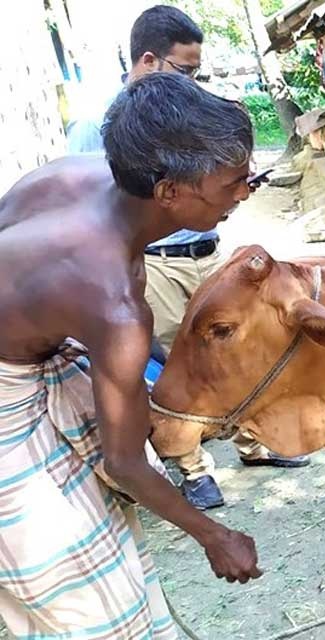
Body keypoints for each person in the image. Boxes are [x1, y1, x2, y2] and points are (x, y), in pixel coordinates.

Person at [0, 72, 262, 639]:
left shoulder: (80, 176)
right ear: (169, 191)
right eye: (234, 183)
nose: (243, 193)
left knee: (104, 558)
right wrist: (214, 537)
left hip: (33, 353)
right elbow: (125, 465)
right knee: (87, 602)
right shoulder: (113, 301)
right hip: (9, 404)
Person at [66, 5, 309, 512]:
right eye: (186, 70)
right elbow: (97, 206)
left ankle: (253, 441)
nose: (195, 82)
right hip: (155, 261)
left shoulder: (189, 115)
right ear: (150, 61)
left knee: (231, 352)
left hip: (202, 253)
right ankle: (193, 466)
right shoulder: (99, 126)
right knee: (173, 366)